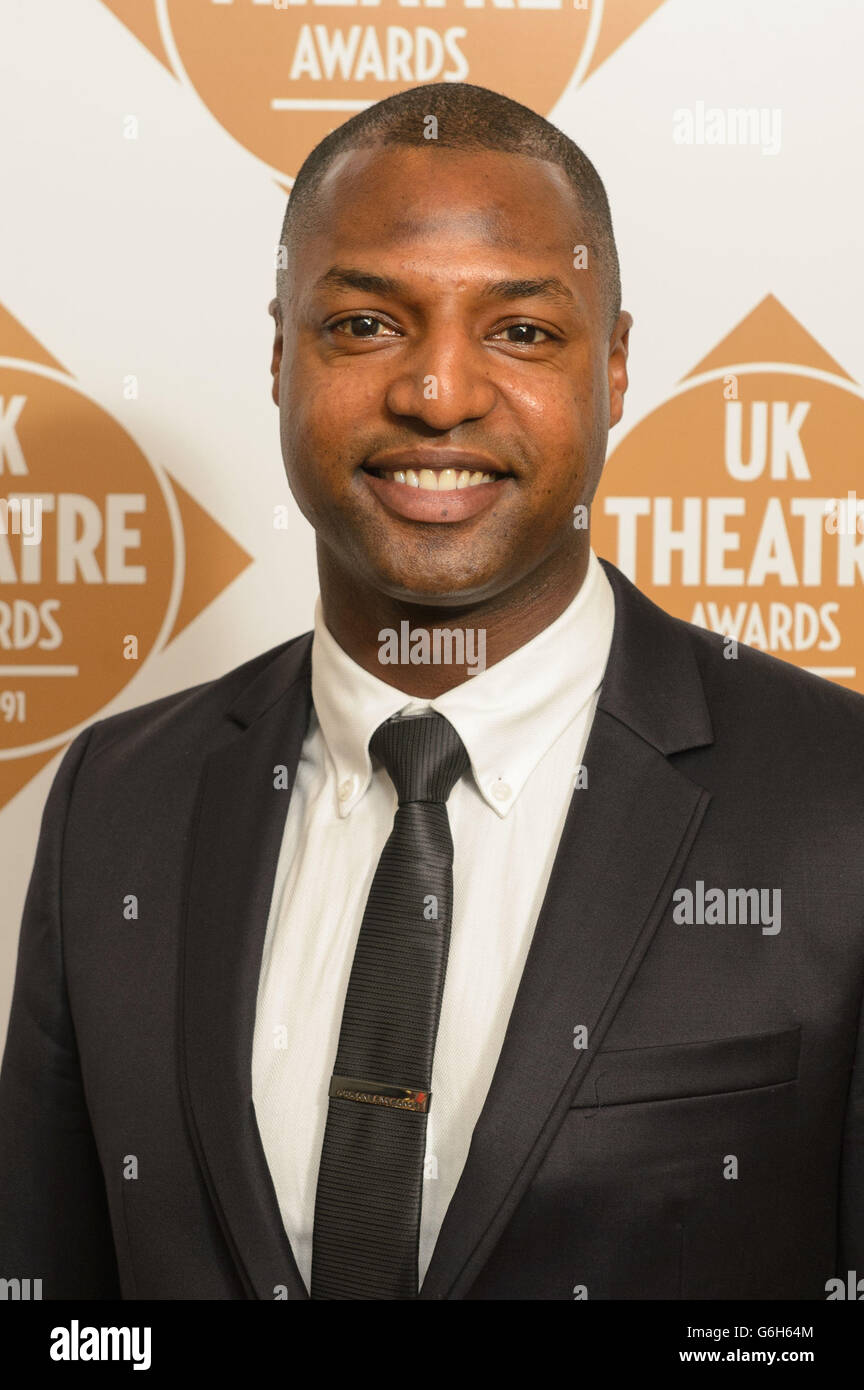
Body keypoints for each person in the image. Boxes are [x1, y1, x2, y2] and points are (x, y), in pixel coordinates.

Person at [0, 81, 862, 1302]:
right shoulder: (115, 801)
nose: (439, 394)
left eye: (520, 331)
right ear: (279, 354)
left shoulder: (839, 802)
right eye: (364, 325)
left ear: (615, 367)